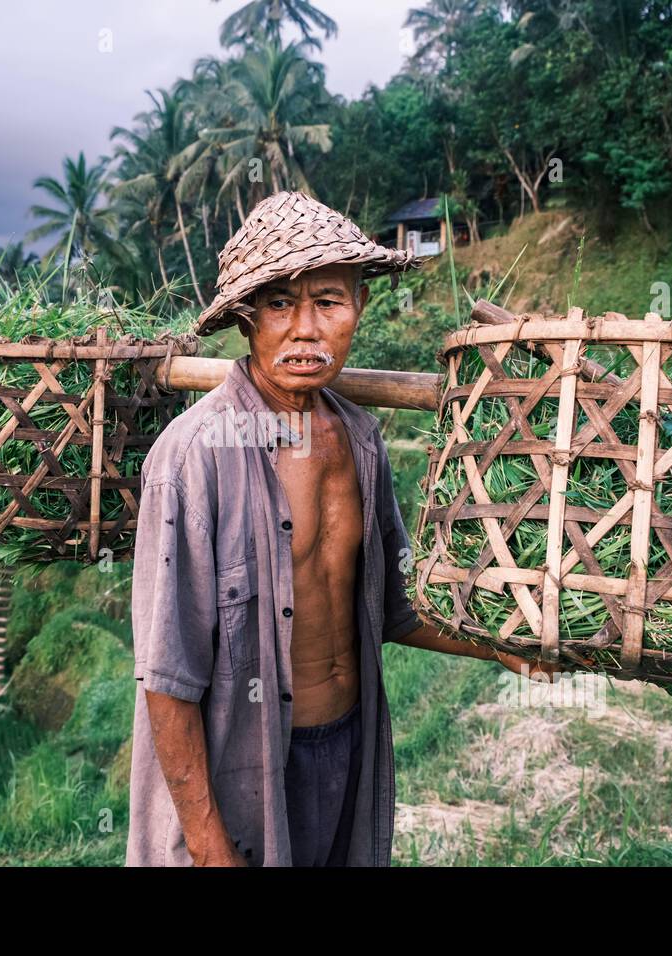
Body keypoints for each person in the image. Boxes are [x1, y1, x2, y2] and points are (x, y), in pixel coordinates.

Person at [125, 191, 559, 867]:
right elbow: (166, 675)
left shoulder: (359, 438)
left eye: (327, 301)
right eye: (278, 304)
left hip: (347, 750)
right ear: (245, 320)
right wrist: (209, 849)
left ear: (359, 306)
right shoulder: (192, 459)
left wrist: (502, 647)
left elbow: (392, 609)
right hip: (244, 768)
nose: (306, 328)